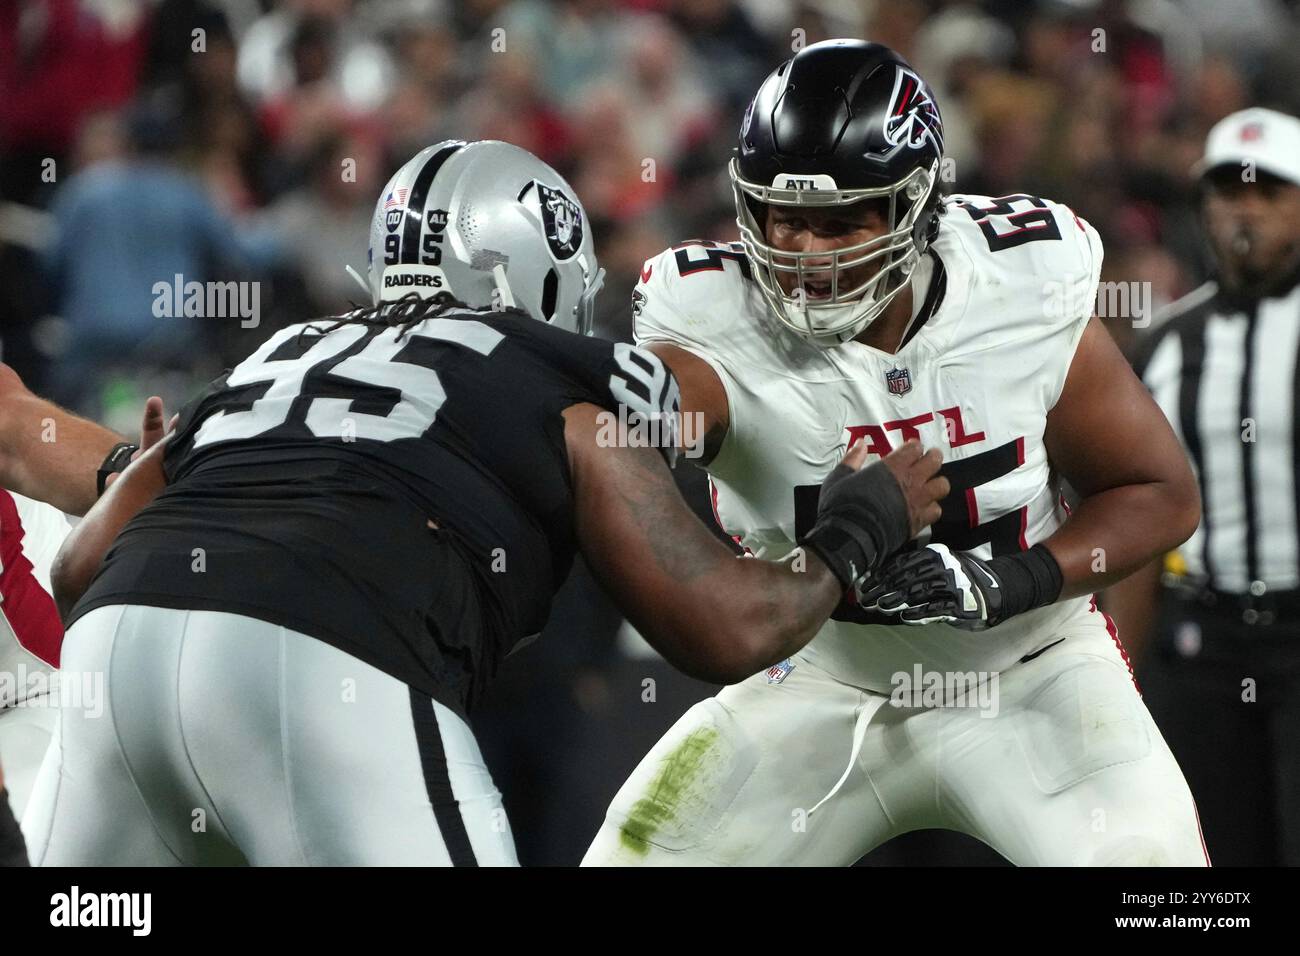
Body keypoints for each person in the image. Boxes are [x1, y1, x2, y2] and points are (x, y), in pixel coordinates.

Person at [21, 139, 946, 866]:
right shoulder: (555, 379)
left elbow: (76, 569)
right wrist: (860, 527)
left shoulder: (277, 355)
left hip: (116, 658)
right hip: (323, 657)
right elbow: (725, 626)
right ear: (541, 272)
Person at [584, 40, 1207, 867]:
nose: (806, 253)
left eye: (841, 222)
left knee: (1155, 886)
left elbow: (1158, 491)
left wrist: (1012, 581)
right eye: (785, 218)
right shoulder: (709, 321)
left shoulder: (1017, 283)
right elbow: (621, 445)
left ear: (914, 210)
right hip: (817, 679)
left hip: (1032, 667)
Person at [1107, 107, 1300, 865]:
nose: (1244, 208)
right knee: (1209, 860)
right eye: (1227, 192)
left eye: (1268, 191)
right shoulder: (1166, 344)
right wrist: (1121, 671)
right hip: (1201, 645)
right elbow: (1138, 518)